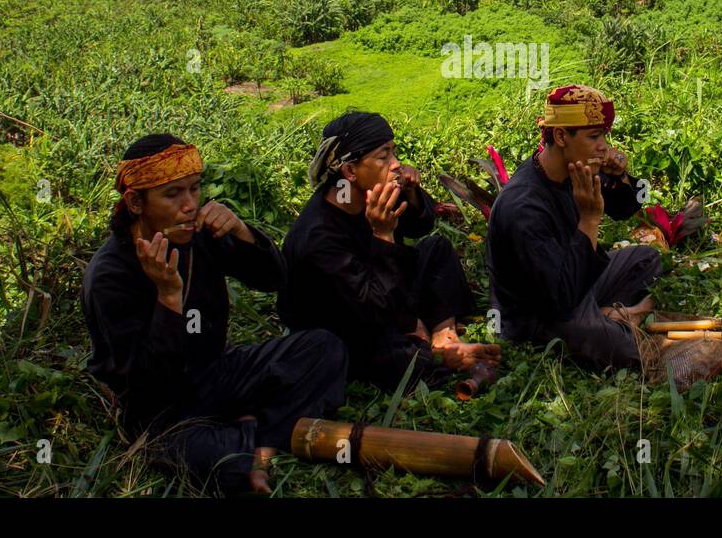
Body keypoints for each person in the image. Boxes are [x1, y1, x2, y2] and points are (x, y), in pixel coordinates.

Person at [82, 134, 347, 495]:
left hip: (215, 371)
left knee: (324, 348)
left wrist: (240, 231)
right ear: (135, 202)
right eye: (172, 194)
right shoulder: (110, 274)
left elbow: (272, 279)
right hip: (159, 408)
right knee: (189, 452)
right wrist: (168, 297)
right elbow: (146, 380)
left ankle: (248, 437)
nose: (189, 205)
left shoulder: (199, 235)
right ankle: (253, 436)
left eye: (194, 188)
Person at [282, 111, 500, 392]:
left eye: (394, 153)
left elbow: (422, 225)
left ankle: (443, 336)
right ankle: (428, 353)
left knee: (436, 249)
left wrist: (410, 193)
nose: (396, 165)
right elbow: (370, 311)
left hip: (384, 292)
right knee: (392, 357)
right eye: (384, 156)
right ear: (349, 171)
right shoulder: (318, 238)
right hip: (344, 322)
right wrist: (382, 235)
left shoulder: (374, 191)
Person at [485, 84, 665, 369]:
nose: (603, 146)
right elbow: (560, 297)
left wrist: (622, 178)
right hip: (538, 312)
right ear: (560, 135)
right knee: (628, 351)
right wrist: (589, 219)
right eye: (594, 136)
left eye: (604, 135)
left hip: (575, 280)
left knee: (646, 259)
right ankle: (618, 319)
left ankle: (609, 315)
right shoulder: (522, 207)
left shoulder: (574, 168)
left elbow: (628, 206)